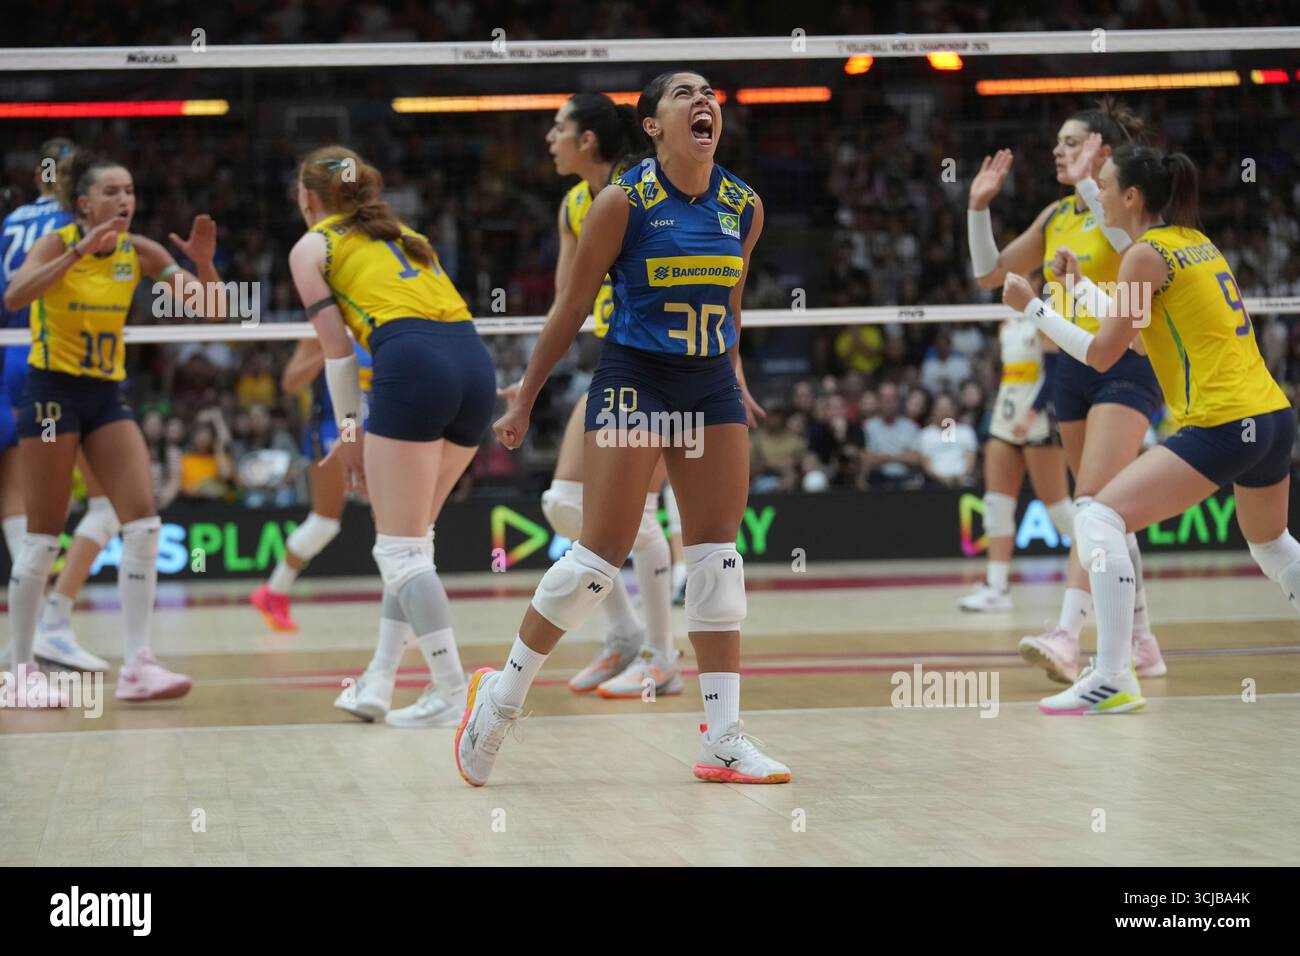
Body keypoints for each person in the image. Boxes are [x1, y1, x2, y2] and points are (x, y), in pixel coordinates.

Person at [457, 70, 791, 787]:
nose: (704, 101)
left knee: (718, 564)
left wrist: (735, 380)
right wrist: (526, 398)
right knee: (593, 561)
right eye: (683, 94)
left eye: (711, 94)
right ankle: (501, 697)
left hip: (708, 387)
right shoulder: (622, 202)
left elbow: (729, 308)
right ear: (651, 126)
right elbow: (571, 307)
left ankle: (722, 738)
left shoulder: (744, 205)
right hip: (636, 380)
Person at [1005, 145, 1297, 713]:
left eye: (1105, 186)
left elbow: (1101, 353)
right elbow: (1140, 333)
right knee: (1272, 546)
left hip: (1223, 420)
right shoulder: (1194, 243)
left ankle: (1113, 676)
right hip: (1271, 418)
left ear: (1132, 196)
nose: (1098, 197)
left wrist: (1033, 307)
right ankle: (1117, 668)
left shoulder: (1143, 254)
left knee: (1097, 517)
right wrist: (1081, 286)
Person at [4, 149, 225, 704]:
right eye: (111, 192)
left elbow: (215, 311)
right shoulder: (56, 243)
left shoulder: (141, 251)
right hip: (52, 398)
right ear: (83, 203)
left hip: (105, 397)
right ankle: (21, 671)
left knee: (144, 524)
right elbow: (14, 296)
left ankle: (137, 664)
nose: (124, 200)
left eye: (129, 190)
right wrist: (77, 252)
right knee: (40, 537)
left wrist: (204, 264)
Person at [289, 144, 496, 728]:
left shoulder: (312, 245)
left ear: (308, 199)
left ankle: (453, 690)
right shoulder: (402, 232)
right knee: (411, 542)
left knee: (399, 549)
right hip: (474, 364)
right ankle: (379, 681)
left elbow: (336, 355)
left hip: (411, 364)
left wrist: (349, 428)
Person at [968, 100, 1167, 682]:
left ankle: (1066, 633)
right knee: (1100, 512)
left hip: (1126, 362)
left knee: (1095, 505)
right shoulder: (1057, 213)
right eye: (1057, 142)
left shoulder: (1122, 209)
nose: (1059, 150)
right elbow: (988, 273)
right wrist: (978, 207)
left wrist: (1091, 185)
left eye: (1073, 142)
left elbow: (1115, 234)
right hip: (1073, 366)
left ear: (1104, 152)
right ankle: (1144, 642)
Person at [519, 91, 678, 699]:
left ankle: (663, 658)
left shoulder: (647, 189)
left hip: (669, 367)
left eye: (557, 127)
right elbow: (568, 302)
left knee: (637, 516)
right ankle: (627, 638)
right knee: (563, 503)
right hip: (615, 363)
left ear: (588, 139)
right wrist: (531, 377)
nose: (549, 137)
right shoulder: (574, 205)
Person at [250, 335, 371, 633]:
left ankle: (409, 615)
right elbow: (290, 382)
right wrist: (330, 349)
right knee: (324, 523)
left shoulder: (375, 320)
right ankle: (274, 592)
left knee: (396, 522)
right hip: (331, 432)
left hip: (377, 429)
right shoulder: (318, 333)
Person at [959, 317, 1073, 611]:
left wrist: (1032, 413)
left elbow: (1056, 373)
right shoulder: (1006, 322)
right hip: (1004, 418)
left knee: (1060, 510)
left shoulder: (1045, 315)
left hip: (1038, 422)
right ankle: (996, 588)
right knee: (996, 504)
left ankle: (1104, 571)